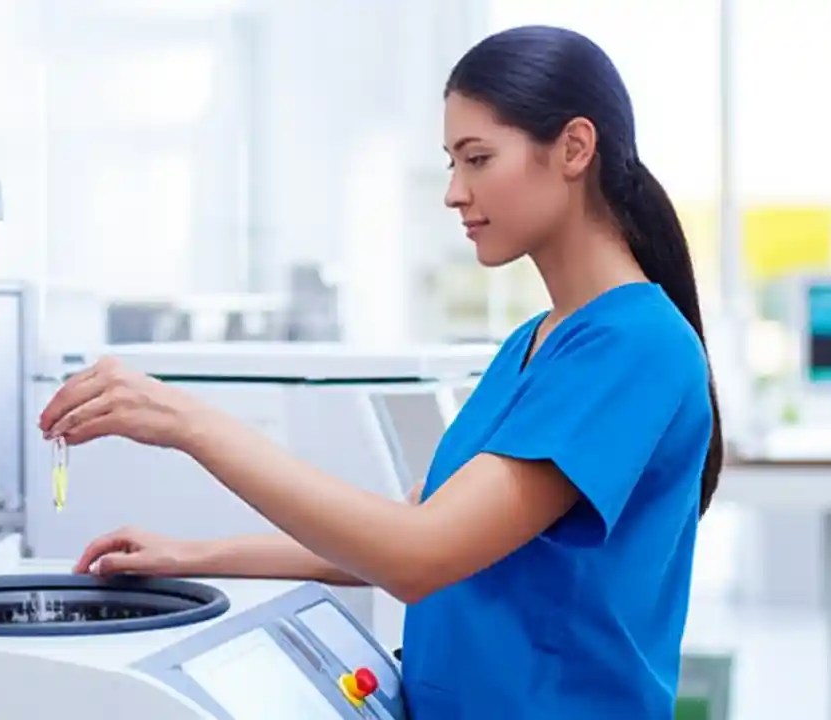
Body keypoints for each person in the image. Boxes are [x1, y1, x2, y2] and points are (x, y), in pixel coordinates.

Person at [39, 24, 722, 720]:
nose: (455, 192)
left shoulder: (635, 348)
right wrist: (198, 554)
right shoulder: (538, 342)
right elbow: (408, 529)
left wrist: (188, 422)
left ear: (575, 147)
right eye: (453, 162)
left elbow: (417, 555)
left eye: (478, 158)